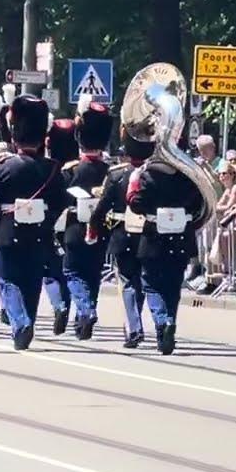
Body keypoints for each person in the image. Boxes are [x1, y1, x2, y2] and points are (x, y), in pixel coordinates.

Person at [0, 94, 71, 349]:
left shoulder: (4, 166)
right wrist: (47, 218)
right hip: (40, 232)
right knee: (32, 280)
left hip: (8, 232)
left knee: (7, 280)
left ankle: (21, 323)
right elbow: (62, 201)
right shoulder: (52, 168)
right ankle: (26, 320)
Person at [126, 123, 207, 356]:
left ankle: (162, 322)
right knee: (173, 284)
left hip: (154, 237)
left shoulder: (147, 174)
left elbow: (135, 202)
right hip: (181, 237)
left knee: (151, 283)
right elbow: (200, 204)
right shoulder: (189, 176)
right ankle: (169, 321)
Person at [88, 133, 153, 348]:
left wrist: (93, 226)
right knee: (139, 280)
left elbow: (103, 206)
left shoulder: (116, 175)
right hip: (146, 233)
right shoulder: (154, 173)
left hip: (122, 234)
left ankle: (134, 326)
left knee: (127, 281)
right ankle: (134, 323)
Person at [60, 95, 113, 339]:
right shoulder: (110, 171)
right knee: (93, 274)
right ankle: (84, 319)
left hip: (76, 227)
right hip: (101, 228)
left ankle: (85, 309)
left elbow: (61, 200)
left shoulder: (71, 170)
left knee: (72, 271)